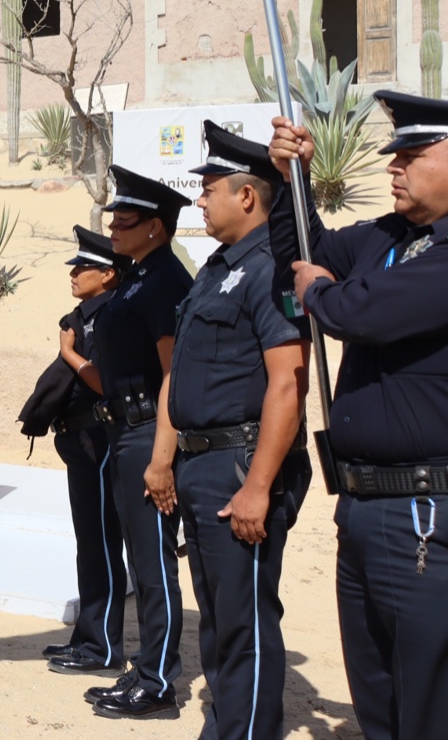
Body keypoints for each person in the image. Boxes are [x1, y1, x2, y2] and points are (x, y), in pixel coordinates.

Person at [267, 90, 448, 740]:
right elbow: (301, 247)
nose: (393, 166)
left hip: (425, 516)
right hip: (363, 507)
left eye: (412, 153)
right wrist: (292, 175)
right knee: (375, 692)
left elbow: (355, 312)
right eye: (392, 154)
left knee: (427, 701)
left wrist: (320, 289)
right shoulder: (388, 238)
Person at [145, 122, 308, 738]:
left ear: (247, 196)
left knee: (245, 619)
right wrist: (167, 460)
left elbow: (288, 382)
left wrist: (259, 485)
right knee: (217, 616)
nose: (200, 198)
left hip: (242, 463)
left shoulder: (272, 267)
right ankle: (227, 725)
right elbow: (181, 371)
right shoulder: (216, 269)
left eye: (210, 187)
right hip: (201, 464)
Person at [80, 166, 194, 720]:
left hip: (150, 432)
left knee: (153, 564)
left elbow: (176, 373)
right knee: (140, 557)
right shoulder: (138, 276)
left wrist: (162, 458)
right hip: (125, 430)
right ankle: (146, 667)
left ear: (156, 227)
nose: (114, 225)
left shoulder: (166, 280)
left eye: (126, 219)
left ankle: (158, 683)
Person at [33, 227, 129, 677]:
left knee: (102, 545)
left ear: (109, 274)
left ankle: (103, 645)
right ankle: (89, 636)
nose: (74, 273)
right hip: (81, 442)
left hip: (100, 442)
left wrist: (69, 354)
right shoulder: (88, 313)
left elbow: (104, 381)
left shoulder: (110, 314)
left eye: (84, 266)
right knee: (89, 545)